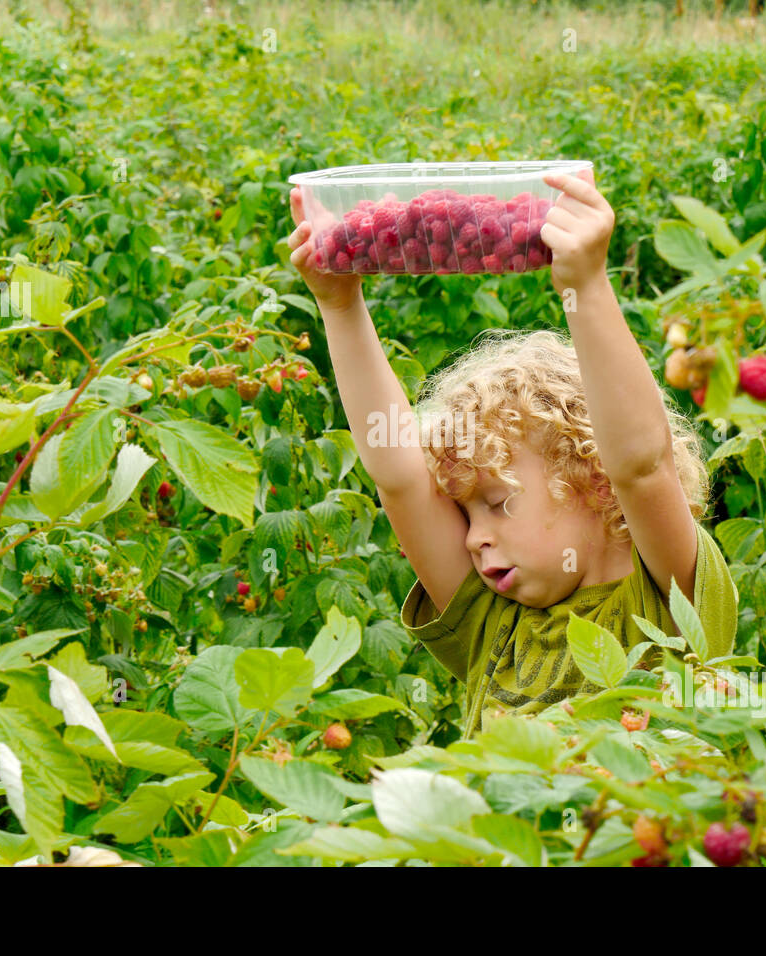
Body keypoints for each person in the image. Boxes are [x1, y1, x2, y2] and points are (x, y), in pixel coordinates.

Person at [285, 168, 738, 739]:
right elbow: (400, 476)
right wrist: (340, 304)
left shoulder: (669, 606)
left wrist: (587, 285)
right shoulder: (489, 622)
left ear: (596, 482)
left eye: (498, 503)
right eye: (467, 512)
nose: (473, 538)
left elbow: (643, 466)